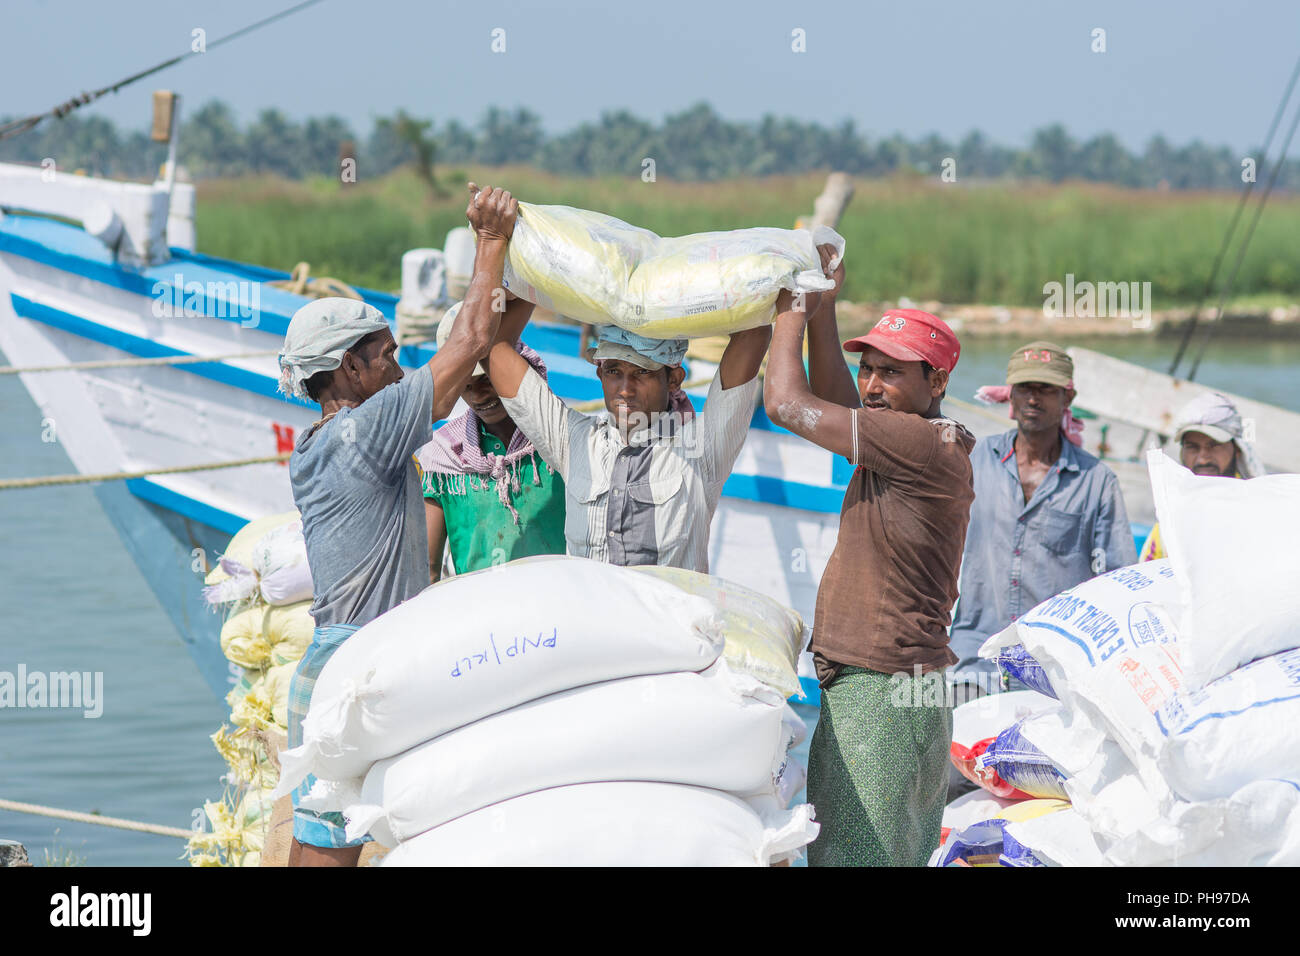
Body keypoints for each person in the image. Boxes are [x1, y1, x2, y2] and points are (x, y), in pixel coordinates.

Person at [276, 184, 516, 866]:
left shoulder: (321, 441)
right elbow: (469, 341)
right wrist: (492, 241)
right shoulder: (367, 429)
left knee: (323, 835)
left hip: (339, 660)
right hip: (362, 664)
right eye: (386, 355)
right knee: (336, 844)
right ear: (348, 368)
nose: (400, 364)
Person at [763, 248, 976, 867]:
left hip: (883, 698)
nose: (874, 387)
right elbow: (837, 398)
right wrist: (826, 300)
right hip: (893, 693)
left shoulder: (914, 441)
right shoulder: (921, 436)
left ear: (936, 384)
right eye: (870, 369)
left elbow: (785, 404)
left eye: (893, 373)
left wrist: (790, 311)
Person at [481, 261, 771, 572]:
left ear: (673, 380)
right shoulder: (575, 440)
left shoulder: (702, 448)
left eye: (642, 373)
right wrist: (529, 276)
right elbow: (493, 347)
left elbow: (752, 334)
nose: (625, 389)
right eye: (614, 372)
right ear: (599, 374)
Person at [949, 341, 1136, 694]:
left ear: (1068, 398)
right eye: (1025, 389)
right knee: (961, 747)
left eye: (1046, 390)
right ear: (1010, 396)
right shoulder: (975, 461)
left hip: (1056, 667)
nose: (1033, 399)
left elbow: (1118, 579)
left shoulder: (1096, 481)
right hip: (974, 656)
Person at [417, 302, 567, 581]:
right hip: (479, 613)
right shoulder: (444, 455)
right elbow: (427, 565)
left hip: (556, 609)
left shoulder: (560, 440)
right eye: (466, 385)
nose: (479, 396)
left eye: (487, 379)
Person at [1140, 391, 1264, 560]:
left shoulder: (1256, 510)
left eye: (1214, 446)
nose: (1203, 459)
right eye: (1192, 447)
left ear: (1236, 450)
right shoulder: (1171, 514)